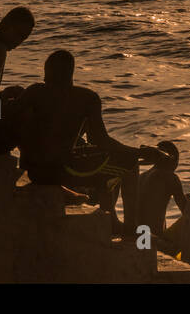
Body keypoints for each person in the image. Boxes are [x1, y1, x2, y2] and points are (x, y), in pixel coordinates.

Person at [10, 49, 168, 239]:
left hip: (34, 170)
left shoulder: (34, 92)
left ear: (47, 73)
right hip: (63, 171)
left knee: (98, 159)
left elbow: (8, 118)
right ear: (71, 73)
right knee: (129, 164)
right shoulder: (86, 98)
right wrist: (138, 153)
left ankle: (109, 218)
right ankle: (128, 228)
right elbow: (100, 141)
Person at [137, 140, 187, 238]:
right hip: (152, 239)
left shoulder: (142, 176)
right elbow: (185, 210)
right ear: (174, 159)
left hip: (139, 237)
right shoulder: (171, 177)